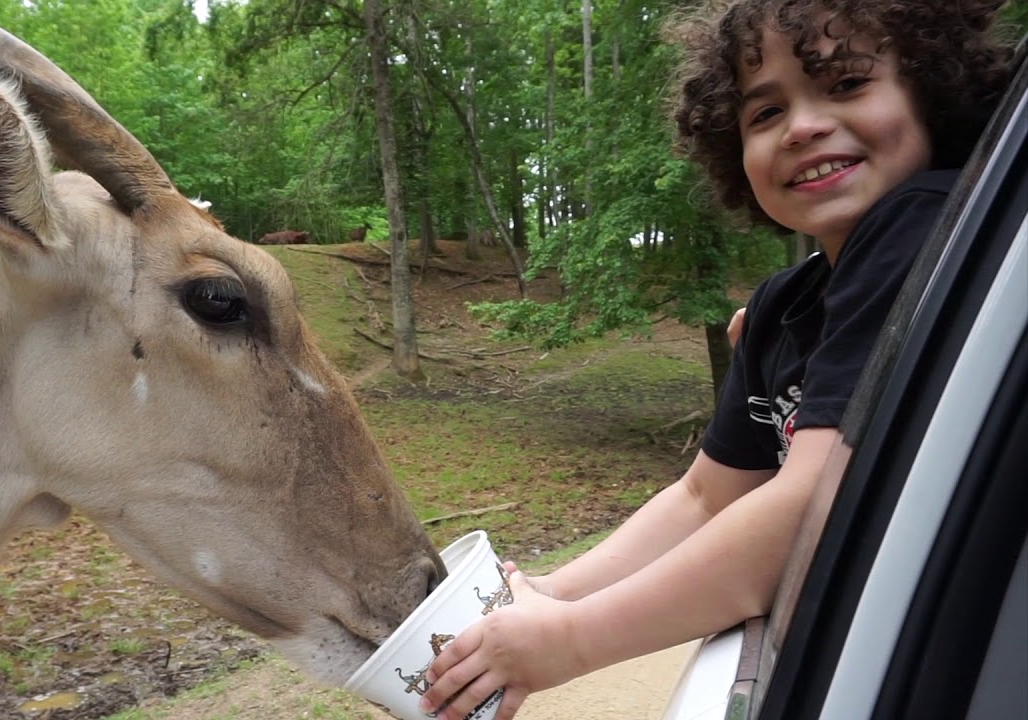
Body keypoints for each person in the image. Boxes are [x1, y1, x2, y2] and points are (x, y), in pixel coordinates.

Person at [418, 1, 1019, 718]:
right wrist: (555, 590)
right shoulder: (779, 309)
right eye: (765, 115)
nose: (801, 126)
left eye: (847, 83)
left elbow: (811, 504)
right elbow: (705, 496)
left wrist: (570, 642)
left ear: (931, 95)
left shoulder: (918, 227)